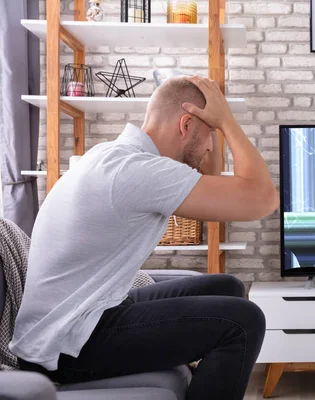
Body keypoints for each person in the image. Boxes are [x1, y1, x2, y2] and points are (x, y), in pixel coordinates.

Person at [9, 76, 279, 400]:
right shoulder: (138, 171)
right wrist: (228, 121)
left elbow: (218, 197)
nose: (209, 148)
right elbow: (262, 200)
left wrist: (214, 125)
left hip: (77, 319)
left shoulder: (117, 155)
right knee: (243, 322)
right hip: (66, 345)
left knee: (228, 287)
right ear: (186, 125)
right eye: (209, 136)